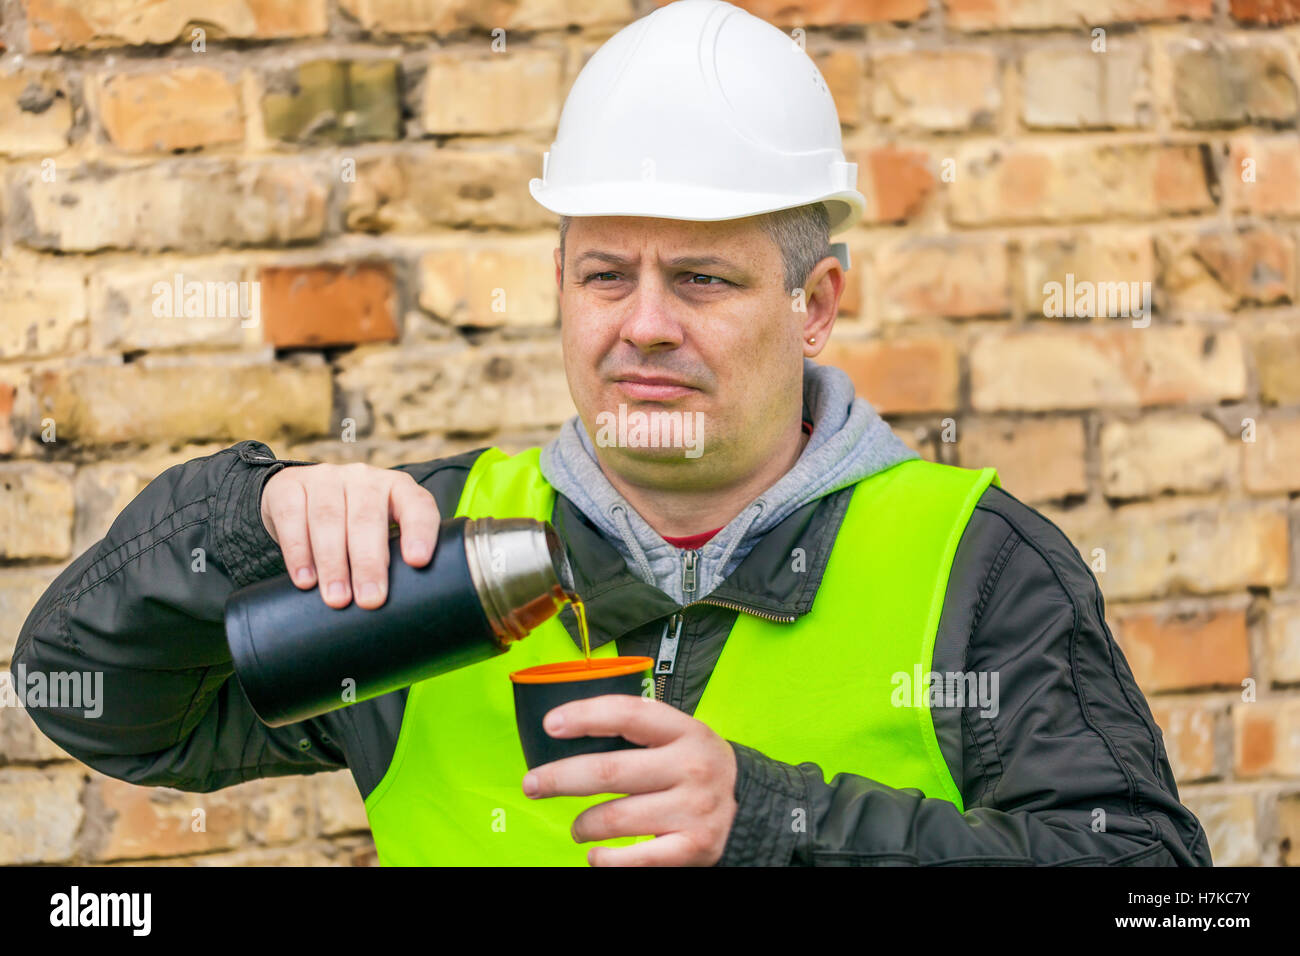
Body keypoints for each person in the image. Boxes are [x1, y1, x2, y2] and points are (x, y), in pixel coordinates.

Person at [11, 0, 1210, 866]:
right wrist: (242, 517)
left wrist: (775, 822)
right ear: (558, 284)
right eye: (603, 275)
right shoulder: (425, 546)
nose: (642, 326)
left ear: (818, 305)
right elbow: (99, 701)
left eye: (699, 279)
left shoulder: (978, 570)